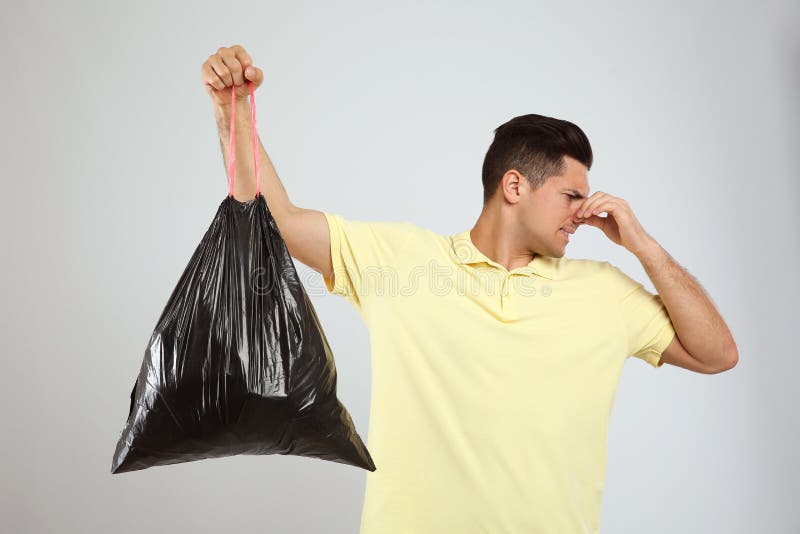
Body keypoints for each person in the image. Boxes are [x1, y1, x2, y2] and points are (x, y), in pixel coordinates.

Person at [201, 44, 739, 534]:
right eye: (571, 195)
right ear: (514, 186)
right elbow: (281, 221)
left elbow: (717, 354)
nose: (584, 213)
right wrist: (234, 115)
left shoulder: (605, 292)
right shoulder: (402, 260)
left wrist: (643, 246)